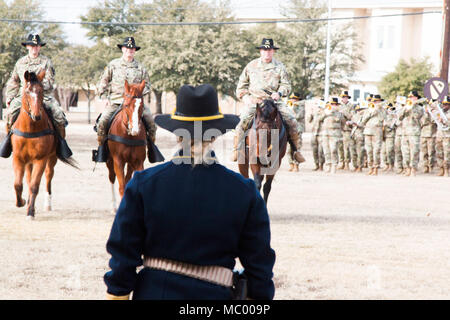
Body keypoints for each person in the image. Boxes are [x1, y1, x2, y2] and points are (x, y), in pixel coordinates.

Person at [104, 84, 276, 300]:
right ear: (215, 135)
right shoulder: (245, 192)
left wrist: (118, 294)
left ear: (177, 134)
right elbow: (259, 267)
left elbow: (123, 258)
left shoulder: (143, 185)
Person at [233, 38, 305, 164]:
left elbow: (286, 85)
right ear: (261, 51)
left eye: (269, 50)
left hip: (274, 102)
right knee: (242, 122)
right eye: (264, 50)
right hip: (256, 102)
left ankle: (296, 150)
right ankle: (236, 149)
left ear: (273, 51)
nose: (267, 52)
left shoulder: (280, 67)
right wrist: (246, 98)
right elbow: (241, 87)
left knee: (292, 121)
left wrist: (280, 93)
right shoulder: (251, 66)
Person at [94, 37, 157, 161]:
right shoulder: (113, 65)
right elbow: (103, 82)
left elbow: (148, 85)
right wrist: (104, 97)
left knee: (151, 123)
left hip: (135, 104)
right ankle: (101, 150)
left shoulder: (141, 67)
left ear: (135, 51)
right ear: (123, 49)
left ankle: (151, 148)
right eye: (127, 48)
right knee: (102, 122)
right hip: (116, 101)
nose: (130, 51)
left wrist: (138, 94)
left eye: (132, 49)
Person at [5, 34, 67, 137]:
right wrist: (10, 97)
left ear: (40, 47)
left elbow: (50, 81)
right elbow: (14, 81)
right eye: (32, 45)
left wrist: (38, 87)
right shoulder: (20, 63)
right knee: (9, 114)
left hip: (44, 96)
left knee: (59, 116)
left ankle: (61, 144)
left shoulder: (46, 62)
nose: (35, 48)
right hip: (23, 96)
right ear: (27, 46)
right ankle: (8, 142)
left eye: (37, 45)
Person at [398, 90, 424, 177]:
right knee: (405, 152)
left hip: (414, 132)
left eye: (412, 97)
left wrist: (412, 107)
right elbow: (400, 117)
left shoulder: (420, 108)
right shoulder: (405, 107)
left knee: (414, 152)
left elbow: (417, 117)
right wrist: (406, 108)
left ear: (416, 98)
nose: (410, 99)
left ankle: (413, 169)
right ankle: (407, 169)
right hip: (405, 132)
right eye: (409, 97)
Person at [317, 97, 346, 174]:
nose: (333, 105)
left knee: (333, 150)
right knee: (326, 150)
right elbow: (319, 119)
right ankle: (328, 164)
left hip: (335, 134)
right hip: (326, 133)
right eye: (331, 104)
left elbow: (343, 123)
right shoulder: (325, 112)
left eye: (334, 104)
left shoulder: (339, 114)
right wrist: (326, 114)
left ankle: (334, 165)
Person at [361, 94, 386, 176]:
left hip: (377, 131)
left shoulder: (382, 110)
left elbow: (383, 118)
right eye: (374, 101)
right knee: (369, 151)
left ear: (379, 101)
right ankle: (370, 167)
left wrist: (378, 110)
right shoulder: (368, 109)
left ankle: (375, 168)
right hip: (368, 131)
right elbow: (363, 121)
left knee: (376, 151)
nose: (375, 103)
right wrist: (371, 112)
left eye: (376, 101)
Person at [286, 92, 306, 172]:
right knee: (288, 149)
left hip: (297, 129)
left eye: (294, 99)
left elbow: (298, 116)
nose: (293, 100)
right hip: (289, 130)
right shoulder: (289, 106)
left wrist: (292, 109)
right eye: (292, 98)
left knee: (296, 148)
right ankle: (291, 164)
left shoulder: (300, 107)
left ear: (298, 99)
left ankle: (296, 165)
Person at [339, 90, 357, 170]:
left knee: (346, 147)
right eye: (343, 97)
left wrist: (344, 112)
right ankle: (341, 162)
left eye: (345, 97)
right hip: (339, 128)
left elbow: (351, 116)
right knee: (340, 147)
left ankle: (347, 163)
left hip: (347, 129)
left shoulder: (351, 106)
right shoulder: (338, 105)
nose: (344, 99)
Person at [420, 101, 437, 173]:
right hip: (423, 134)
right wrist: (426, 113)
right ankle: (425, 166)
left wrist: (432, 112)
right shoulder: (423, 113)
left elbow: (434, 121)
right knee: (424, 152)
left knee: (431, 152)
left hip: (432, 134)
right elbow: (422, 122)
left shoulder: (435, 112)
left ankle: (431, 166)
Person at [308, 100, 325, 171]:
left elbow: (320, 119)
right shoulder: (315, 112)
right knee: (314, 150)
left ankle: (321, 165)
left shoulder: (325, 112)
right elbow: (309, 120)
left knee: (321, 151)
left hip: (321, 133)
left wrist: (322, 112)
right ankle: (316, 164)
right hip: (314, 133)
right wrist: (311, 114)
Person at [435, 96, 450, 177]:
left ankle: (447, 170)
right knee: (439, 153)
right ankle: (441, 169)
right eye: (444, 104)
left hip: (448, 136)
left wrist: (444, 121)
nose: (445, 106)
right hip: (439, 135)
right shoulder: (440, 112)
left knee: (447, 153)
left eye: (447, 104)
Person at [382, 102, 397, 172]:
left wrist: (386, 124)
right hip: (384, 135)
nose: (388, 110)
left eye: (390, 109)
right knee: (384, 152)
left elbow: (393, 125)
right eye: (387, 108)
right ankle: (386, 164)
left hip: (390, 135)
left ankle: (391, 165)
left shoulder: (394, 116)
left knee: (389, 151)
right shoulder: (384, 116)